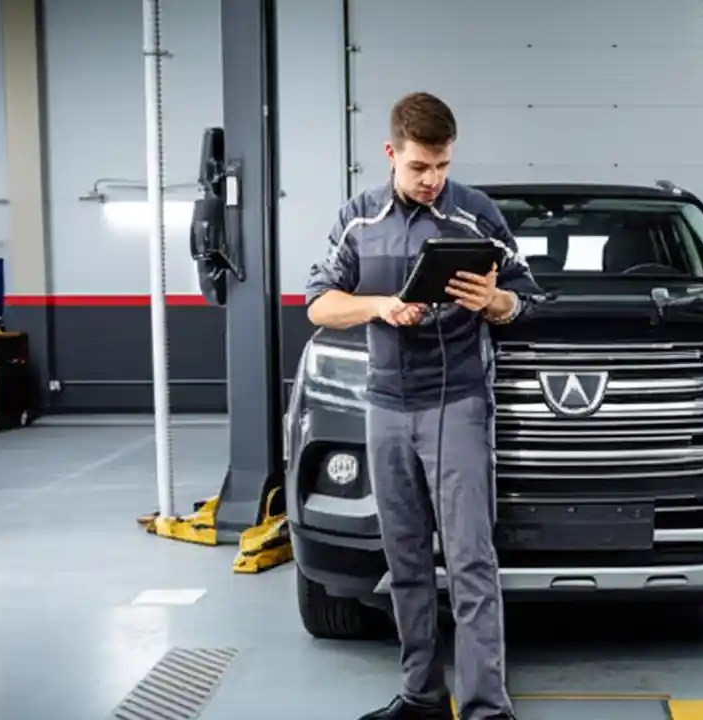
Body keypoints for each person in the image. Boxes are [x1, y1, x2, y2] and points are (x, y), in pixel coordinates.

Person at [304, 91, 542, 720]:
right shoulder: (357, 219)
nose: (433, 179)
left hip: (458, 403)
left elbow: (526, 300)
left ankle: (488, 707)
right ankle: (422, 696)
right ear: (391, 154)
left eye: (441, 165)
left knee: (469, 561)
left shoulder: (477, 214)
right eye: (419, 167)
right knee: (405, 558)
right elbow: (318, 303)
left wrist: (492, 302)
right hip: (385, 404)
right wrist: (378, 306)